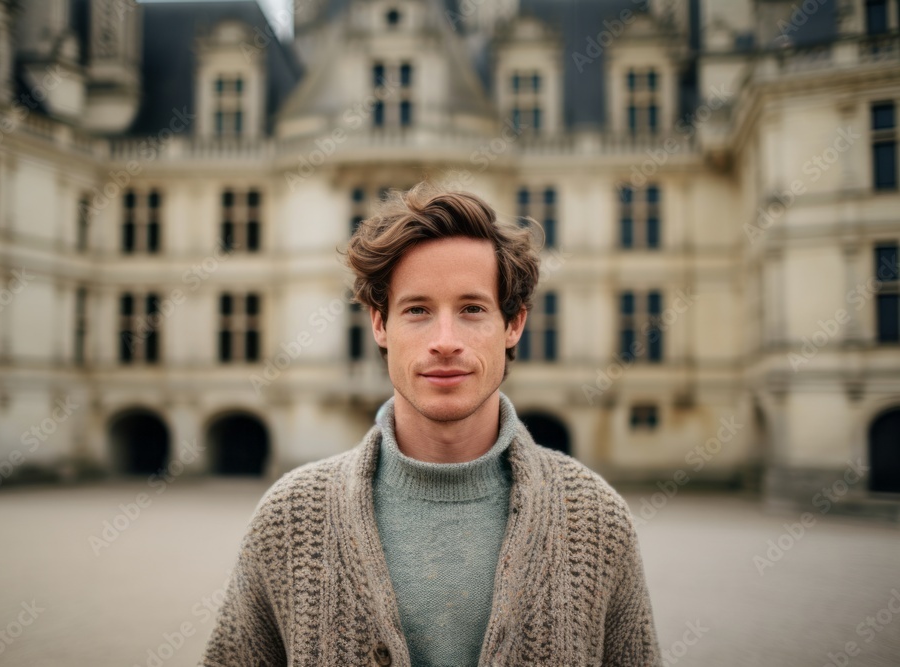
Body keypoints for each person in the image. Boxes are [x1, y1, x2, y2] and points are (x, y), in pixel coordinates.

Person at [199, 183, 661, 666]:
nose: (445, 341)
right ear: (380, 324)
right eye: (417, 310)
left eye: (472, 309)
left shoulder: (596, 520)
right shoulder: (289, 518)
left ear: (514, 325)